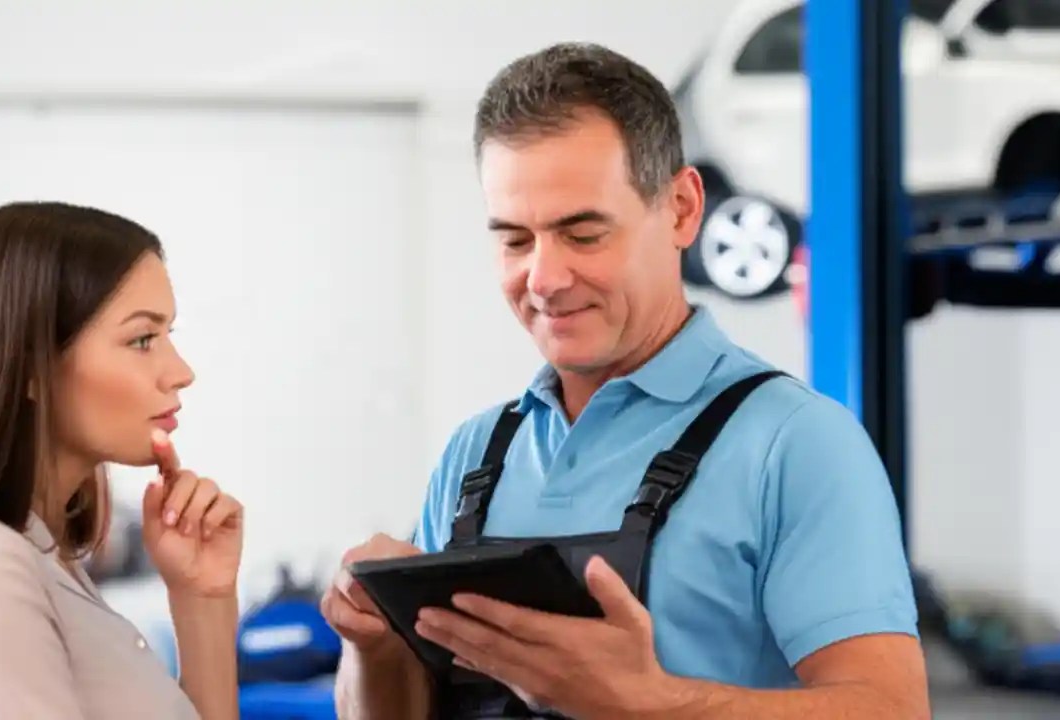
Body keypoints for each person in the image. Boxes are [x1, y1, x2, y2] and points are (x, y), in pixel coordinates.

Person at [321, 43, 929, 719]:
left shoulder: (794, 443)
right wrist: (372, 649)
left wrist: (652, 704)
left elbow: (892, 709)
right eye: (515, 240)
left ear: (681, 209)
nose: (543, 280)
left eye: (582, 234)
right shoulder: (478, 453)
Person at [0, 202, 245, 720]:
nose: (181, 372)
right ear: (30, 365)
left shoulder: (42, 559)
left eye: (168, 336)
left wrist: (205, 596)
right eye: (142, 339)